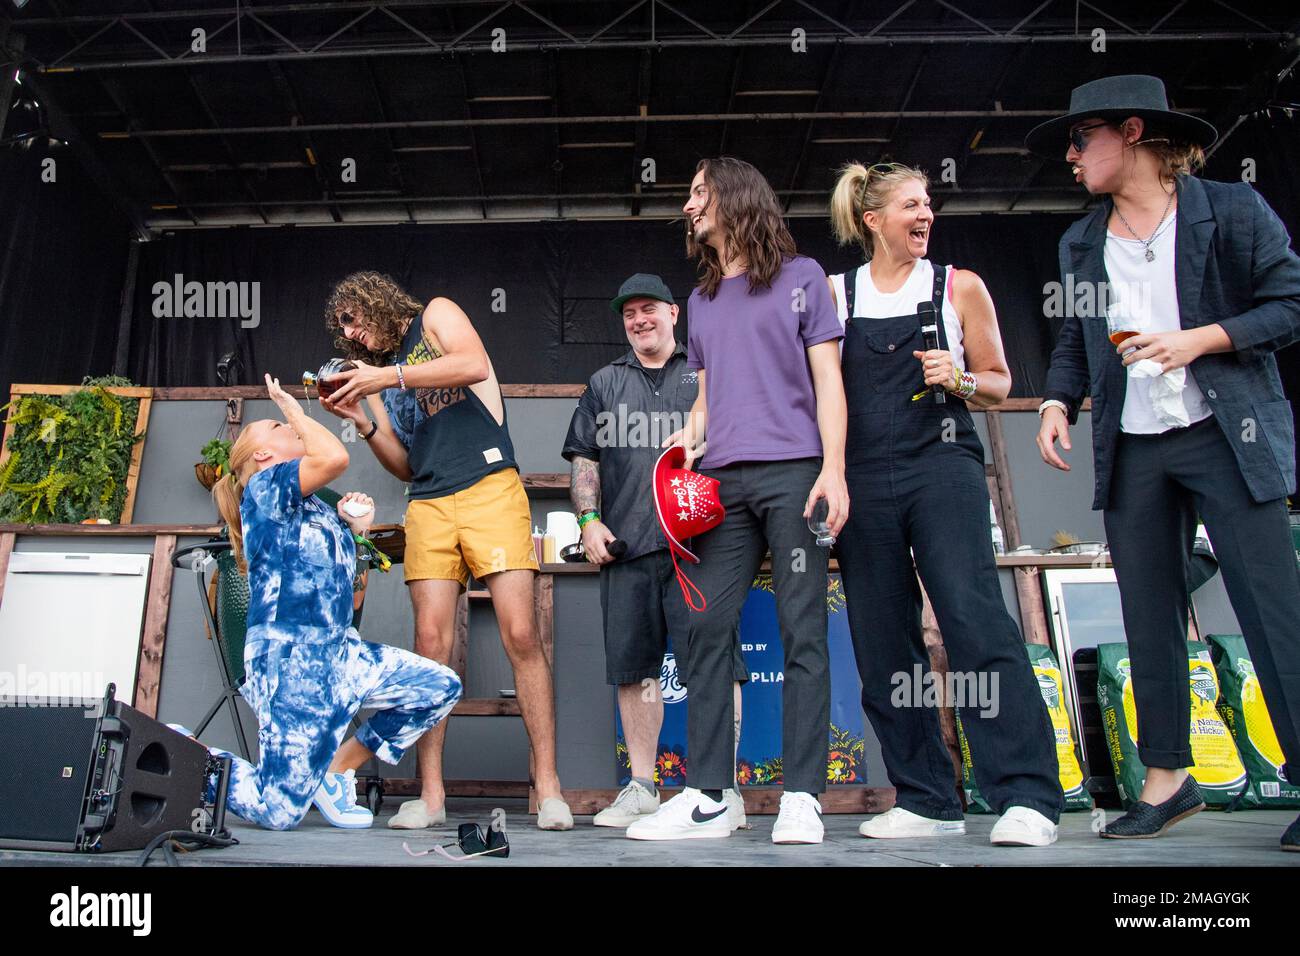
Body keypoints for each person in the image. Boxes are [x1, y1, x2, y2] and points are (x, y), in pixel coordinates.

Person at [1030, 75, 1300, 845]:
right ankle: (1167, 779)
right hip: (1137, 446)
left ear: (1135, 132)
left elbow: (1290, 304)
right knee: (1146, 614)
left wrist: (1198, 340)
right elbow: (1075, 339)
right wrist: (1057, 402)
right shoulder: (1080, 241)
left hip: (1227, 433)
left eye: (1082, 140)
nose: (1072, 157)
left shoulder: (1232, 210)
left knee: (1271, 609)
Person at [826, 162, 1064, 847]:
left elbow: (998, 382)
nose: (926, 214)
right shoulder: (838, 297)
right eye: (910, 204)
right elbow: (820, 392)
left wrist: (959, 377)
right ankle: (927, 797)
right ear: (873, 220)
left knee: (973, 620)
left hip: (944, 466)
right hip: (863, 477)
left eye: (929, 203)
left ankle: (1026, 797)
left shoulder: (960, 286)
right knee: (879, 638)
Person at [626, 157, 848, 844]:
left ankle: (803, 797)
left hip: (794, 475)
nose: (688, 206)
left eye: (697, 193)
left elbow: (829, 383)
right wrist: (683, 446)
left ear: (733, 197)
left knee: (801, 629)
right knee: (705, 629)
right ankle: (711, 796)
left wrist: (834, 469)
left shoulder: (804, 280)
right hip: (723, 483)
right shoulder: (700, 301)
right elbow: (708, 397)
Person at [318, 271, 572, 831]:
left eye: (354, 320)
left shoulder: (435, 313)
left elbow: (473, 364)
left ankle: (548, 786)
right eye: (344, 332)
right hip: (428, 500)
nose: (353, 336)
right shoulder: (379, 384)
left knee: (521, 634)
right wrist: (362, 421)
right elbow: (404, 464)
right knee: (430, 646)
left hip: (490, 485)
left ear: (374, 303)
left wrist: (386, 375)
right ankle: (431, 794)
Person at [203, 373, 462, 831]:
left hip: (341, 652)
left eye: (286, 424)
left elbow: (353, 587)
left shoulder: (318, 508)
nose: (291, 429)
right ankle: (184, 757)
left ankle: (338, 768)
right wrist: (294, 410)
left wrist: (355, 533)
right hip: (292, 663)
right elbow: (336, 455)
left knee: (438, 687)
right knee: (277, 811)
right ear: (263, 455)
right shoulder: (262, 491)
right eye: (279, 430)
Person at [562, 273, 750, 830]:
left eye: (649, 310)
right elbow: (584, 457)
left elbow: (739, 438)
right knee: (633, 670)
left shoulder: (706, 371)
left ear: (674, 313)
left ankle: (723, 791)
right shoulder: (603, 382)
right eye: (629, 314)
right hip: (627, 546)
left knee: (715, 667)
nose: (639, 320)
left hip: (699, 548)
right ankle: (642, 788)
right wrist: (589, 521)